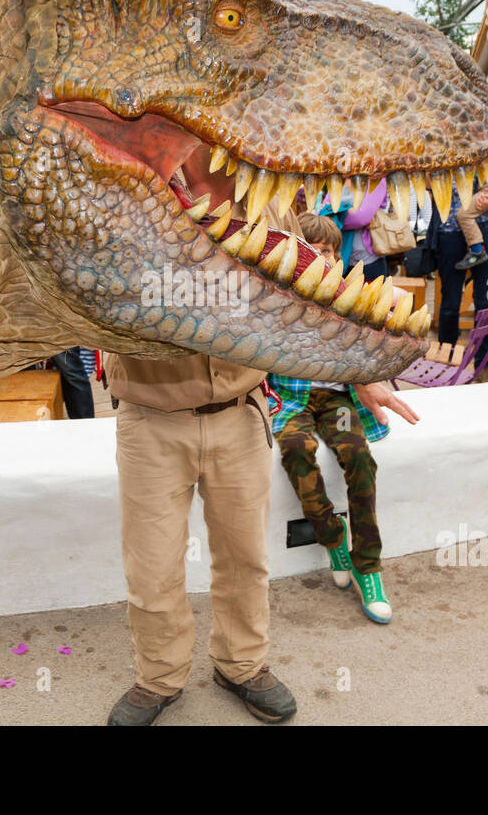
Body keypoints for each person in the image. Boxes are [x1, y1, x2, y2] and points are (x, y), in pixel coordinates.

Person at [103, 157, 415, 726]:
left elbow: (305, 295)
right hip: (150, 418)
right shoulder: (126, 184)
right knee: (152, 567)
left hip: (240, 415)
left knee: (245, 558)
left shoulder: (262, 196)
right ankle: (159, 677)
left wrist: (360, 373)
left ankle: (241, 665)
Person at [268, 214, 418, 624]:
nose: (320, 254)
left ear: (338, 256)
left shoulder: (349, 301)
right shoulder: (273, 295)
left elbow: (370, 350)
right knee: (296, 450)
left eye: (328, 249)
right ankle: (333, 540)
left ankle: (367, 567)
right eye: (310, 246)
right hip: (290, 400)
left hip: (337, 401)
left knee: (358, 456)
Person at [428, 171, 488, 366]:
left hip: (485, 230)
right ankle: (446, 357)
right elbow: (427, 183)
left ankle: (484, 361)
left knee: (487, 300)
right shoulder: (442, 157)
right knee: (450, 300)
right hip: (449, 232)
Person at [318, 176, 389, 282]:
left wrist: (336, 214)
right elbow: (322, 214)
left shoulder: (376, 180)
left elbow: (361, 218)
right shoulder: (338, 180)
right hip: (338, 257)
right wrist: (348, 210)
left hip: (367, 260)